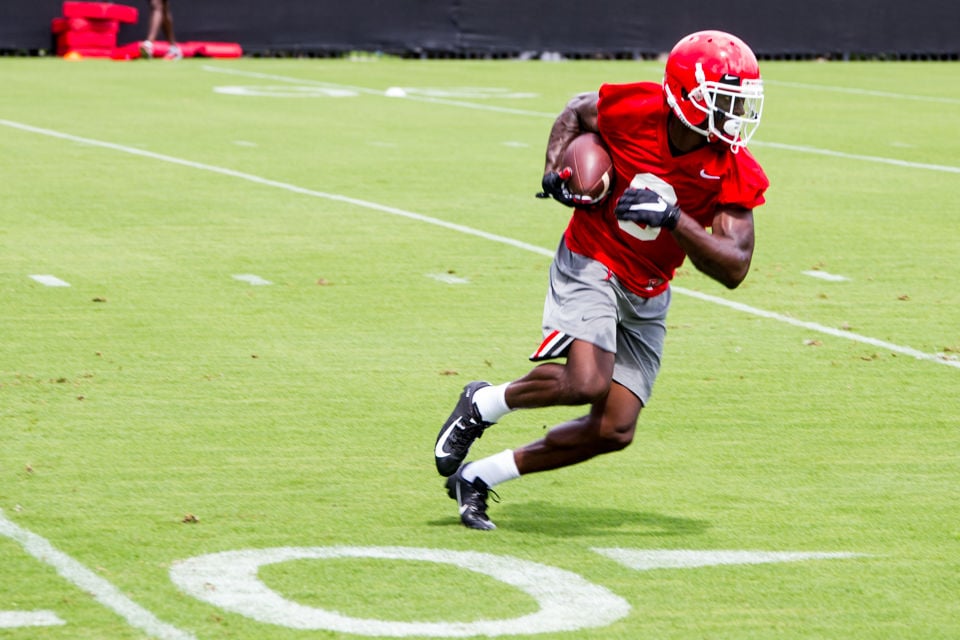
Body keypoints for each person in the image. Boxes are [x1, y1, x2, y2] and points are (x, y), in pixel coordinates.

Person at [434, 30, 769, 530]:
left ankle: (479, 477)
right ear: (683, 96)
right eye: (721, 100)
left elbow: (735, 265)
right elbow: (576, 111)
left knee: (614, 429)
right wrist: (554, 169)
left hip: (649, 286)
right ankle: (483, 405)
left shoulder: (732, 167)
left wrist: (675, 219)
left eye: (739, 101)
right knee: (586, 381)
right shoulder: (638, 106)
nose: (733, 114)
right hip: (592, 255)